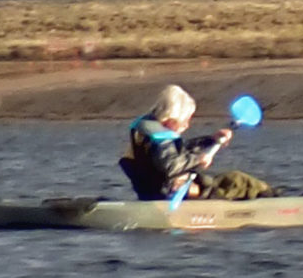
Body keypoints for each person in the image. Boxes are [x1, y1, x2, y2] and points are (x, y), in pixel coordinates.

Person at [118, 84, 281, 201]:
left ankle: (272, 197)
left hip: (156, 192)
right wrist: (199, 159)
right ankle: (276, 201)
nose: (187, 125)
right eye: (185, 120)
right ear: (171, 119)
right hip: (171, 194)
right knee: (237, 180)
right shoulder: (161, 138)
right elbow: (172, 166)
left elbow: (179, 153)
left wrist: (211, 140)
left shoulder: (149, 131)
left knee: (224, 180)